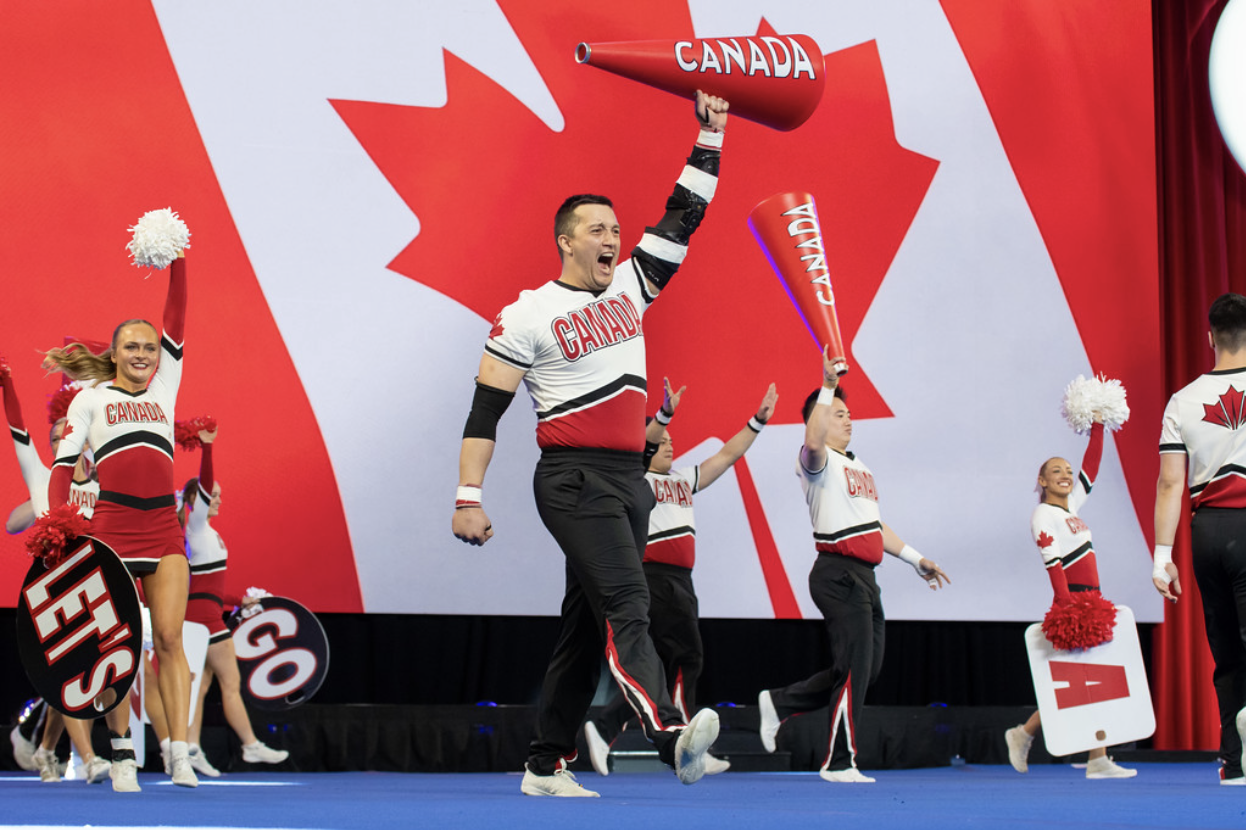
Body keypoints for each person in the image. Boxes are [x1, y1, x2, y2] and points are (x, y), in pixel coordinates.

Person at [451, 91, 729, 797]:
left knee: (583, 629)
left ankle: (545, 764)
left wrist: (710, 135)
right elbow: (486, 411)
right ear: (566, 242)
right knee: (630, 604)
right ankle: (669, 734)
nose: (612, 237)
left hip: (627, 480)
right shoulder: (527, 312)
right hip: (573, 482)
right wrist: (467, 496)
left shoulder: (632, 286)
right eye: (596, 229)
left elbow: (684, 216)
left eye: (615, 228)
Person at [756, 347, 950, 783]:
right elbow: (811, 440)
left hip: (866, 578)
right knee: (855, 670)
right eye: (837, 413)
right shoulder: (815, 462)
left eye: (847, 412)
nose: (847, 418)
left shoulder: (859, 465)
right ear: (820, 419)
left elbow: (875, 525)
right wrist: (826, 385)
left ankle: (781, 703)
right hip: (837, 573)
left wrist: (917, 560)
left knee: (865, 670)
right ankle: (839, 761)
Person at [43, 249, 196, 791]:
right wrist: (61, 526)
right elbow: (63, 469)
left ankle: (178, 751)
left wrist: (179, 258)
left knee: (172, 639)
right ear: (113, 354)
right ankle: (124, 754)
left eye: (149, 347)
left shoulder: (164, 388)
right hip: (110, 531)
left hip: (163, 531)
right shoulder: (89, 399)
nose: (143, 354)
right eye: (132, 347)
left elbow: (176, 317)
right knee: (117, 648)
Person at [584, 378, 777, 776]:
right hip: (653, 575)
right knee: (687, 656)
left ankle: (606, 725)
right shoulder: (636, 477)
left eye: (672, 438)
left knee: (671, 661)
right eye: (661, 439)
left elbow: (725, 456)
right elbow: (641, 446)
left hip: (680, 581)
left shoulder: (681, 480)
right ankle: (688, 744)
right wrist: (663, 413)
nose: (670, 443)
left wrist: (756, 422)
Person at [1003, 420, 1137, 778]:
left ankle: (1089, 755)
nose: (1065, 474)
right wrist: (1066, 607)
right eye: (1055, 471)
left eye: (1067, 470)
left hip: (1091, 601)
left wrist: (1097, 424)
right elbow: (1053, 561)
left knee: (1089, 680)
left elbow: (1091, 467)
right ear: (1042, 481)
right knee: (1083, 681)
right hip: (1075, 604)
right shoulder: (1043, 514)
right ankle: (1032, 736)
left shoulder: (1070, 509)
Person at [1153, 292, 1246, 785]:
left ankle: (1234, 764)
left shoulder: (1183, 399)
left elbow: (1170, 482)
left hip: (1208, 530)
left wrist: (1161, 557)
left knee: (1227, 651)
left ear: (1209, 337)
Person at [1, 366, 109, 784]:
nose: (58, 442)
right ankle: (90, 759)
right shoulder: (41, 478)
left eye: (67, 434)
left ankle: (46, 750)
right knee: (70, 672)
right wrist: (8, 382)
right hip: (51, 587)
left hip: (92, 586)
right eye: (53, 438)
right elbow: (17, 428)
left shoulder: (101, 489)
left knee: (80, 675)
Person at [180, 425, 289, 775]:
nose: (220, 499)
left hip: (204, 613)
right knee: (230, 683)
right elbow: (204, 481)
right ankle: (250, 745)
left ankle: (192, 747)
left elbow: (206, 587)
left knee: (203, 684)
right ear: (198, 499)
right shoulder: (195, 528)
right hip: (205, 621)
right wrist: (207, 449)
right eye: (214, 494)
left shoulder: (206, 533)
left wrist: (237, 600)